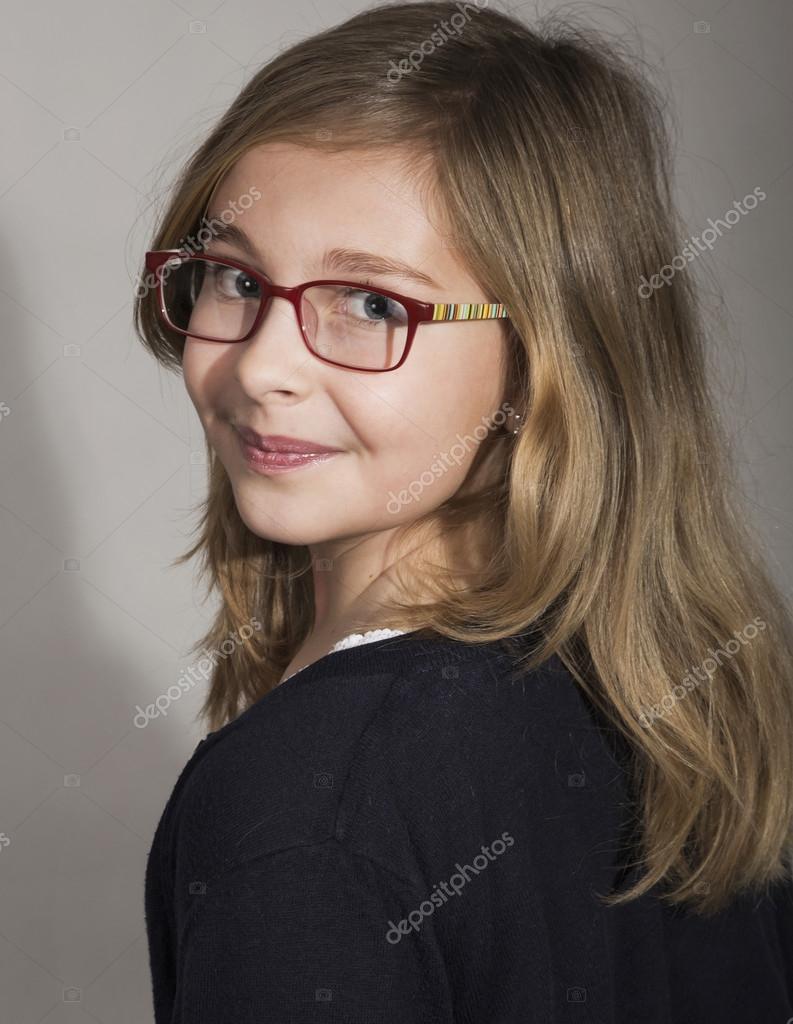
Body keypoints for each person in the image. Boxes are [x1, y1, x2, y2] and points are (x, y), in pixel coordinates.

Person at [134, 2, 793, 1020]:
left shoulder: (310, 798)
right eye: (233, 276)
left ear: (542, 365)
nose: (263, 365)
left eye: (372, 303)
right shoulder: (708, 721)